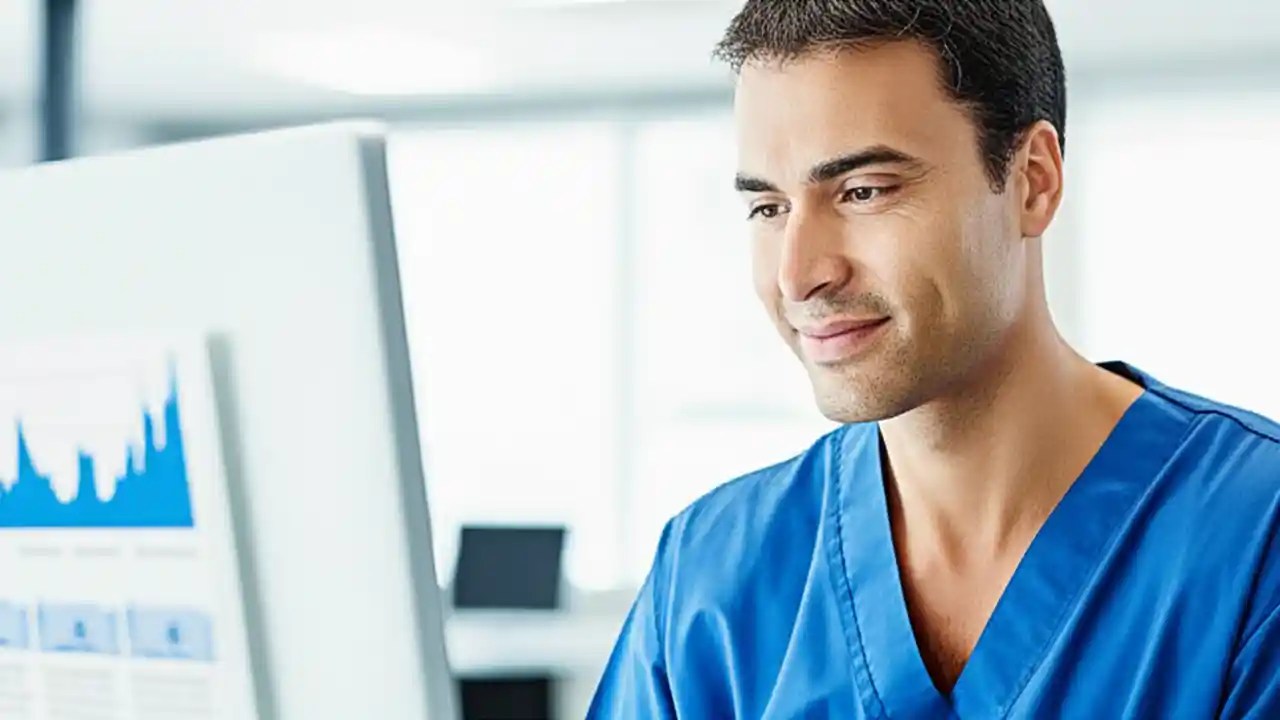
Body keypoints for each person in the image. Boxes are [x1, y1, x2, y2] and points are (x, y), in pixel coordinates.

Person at [589, 1, 1280, 717]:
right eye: (768, 208)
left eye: (864, 192)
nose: (799, 275)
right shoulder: (709, 579)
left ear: (1032, 181)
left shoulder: (1255, 537)